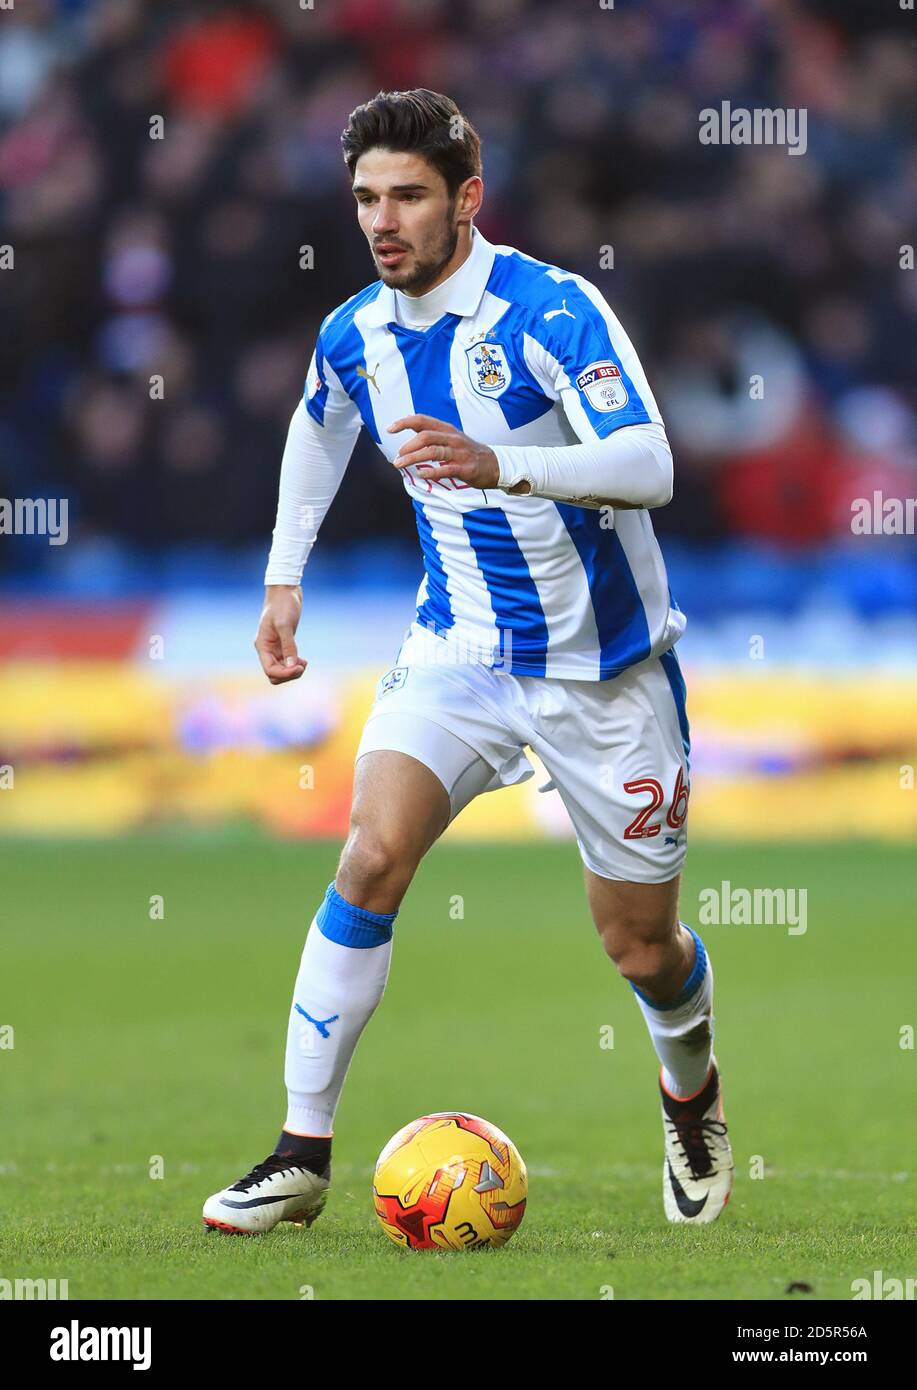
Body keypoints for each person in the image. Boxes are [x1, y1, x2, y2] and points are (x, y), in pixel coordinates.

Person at [203, 88, 732, 1236]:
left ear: (465, 200)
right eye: (364, 199)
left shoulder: (552, 308)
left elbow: (648, 464)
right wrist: (280, 574)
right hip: (458, 650)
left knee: (638, 945)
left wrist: (503, 464)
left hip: (604, 671)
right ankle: (300, 1154)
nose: (382, 221)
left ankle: (689, 1093)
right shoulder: (355, 331)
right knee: (368, 855)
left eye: (406, 196)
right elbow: (318, 419)